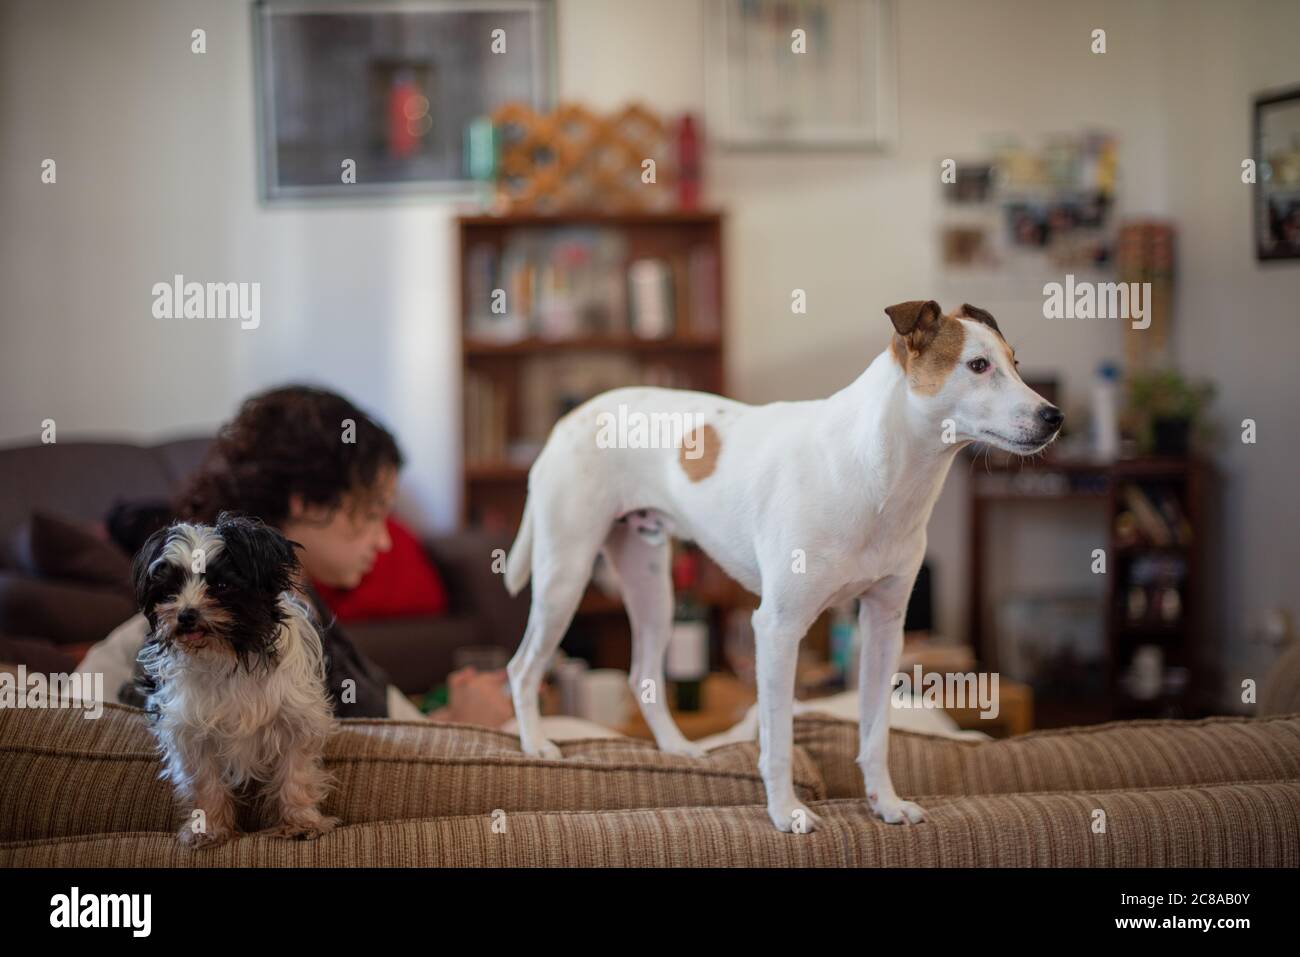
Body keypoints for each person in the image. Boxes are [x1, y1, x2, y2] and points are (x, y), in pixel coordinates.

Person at [78, 385, 513, 725]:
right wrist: (469, 731)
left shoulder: (307, 613)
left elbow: (385, 728)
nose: (384, 541)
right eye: (371, 513)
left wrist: (450, 721)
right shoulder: (166, 643)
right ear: (305, 501)